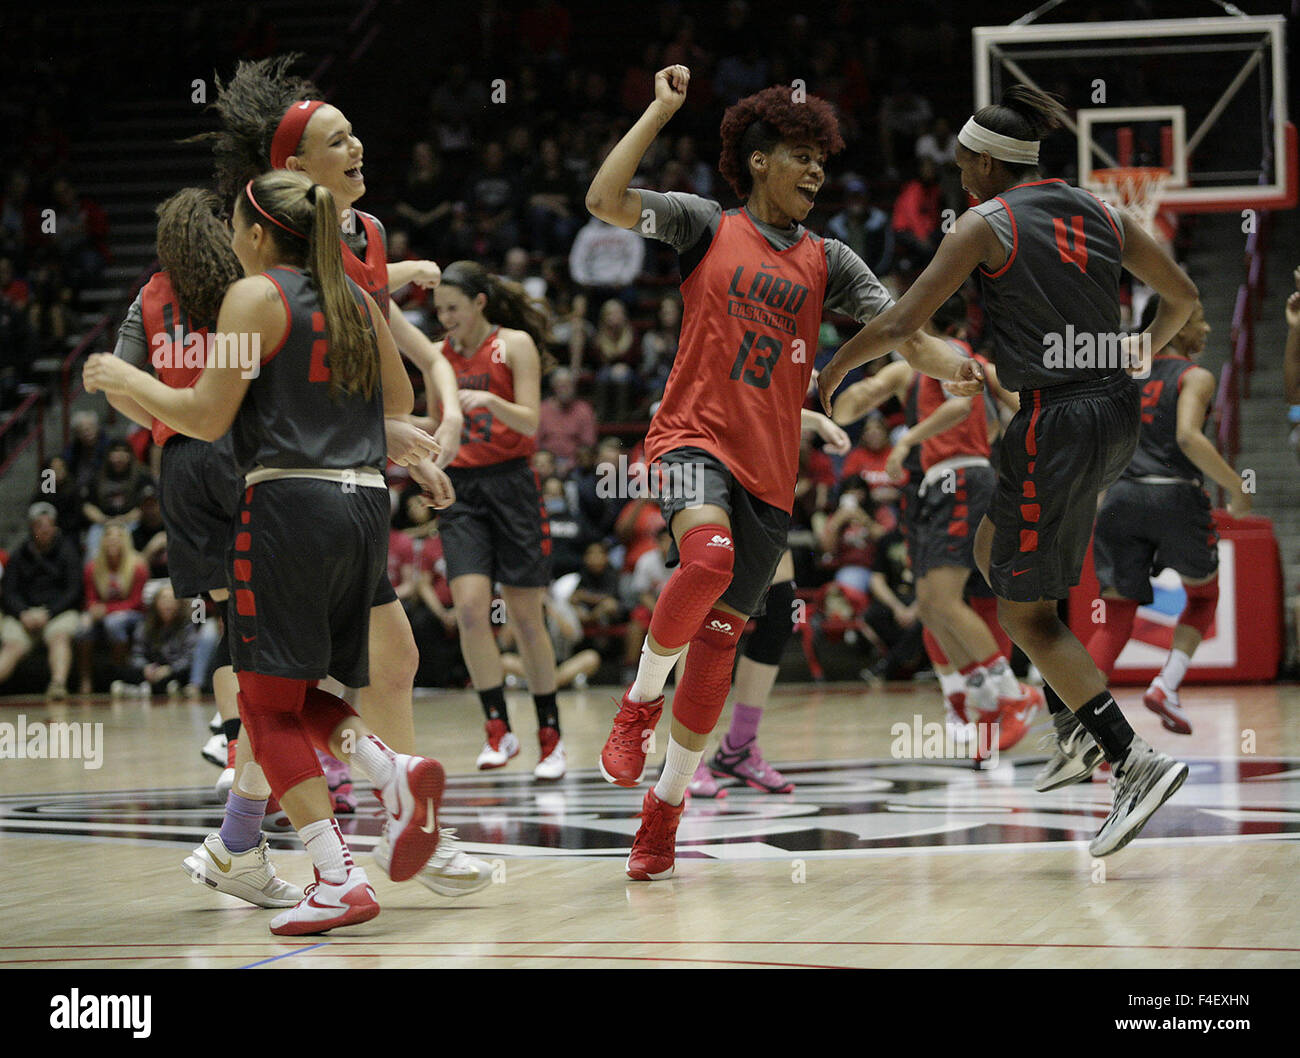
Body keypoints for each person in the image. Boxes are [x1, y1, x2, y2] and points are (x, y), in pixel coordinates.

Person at [585, 67, 980, 880]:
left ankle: (665, 810)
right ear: (758, 160)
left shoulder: (829, 259)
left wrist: (962, 364)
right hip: (692, 440)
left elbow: (908, 332)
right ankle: (637, 703)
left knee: (721, 648)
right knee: (708, 561)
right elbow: (604, 200)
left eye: (822, 163)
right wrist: (661, 112)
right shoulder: (702, 223)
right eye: (800, 156)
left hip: (771, 473)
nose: (815, 174)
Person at [818, 85, 1199, 857]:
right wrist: (1142, 349)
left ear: (990, 162)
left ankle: (1132, 760)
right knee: (1000, 555)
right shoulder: (1101, 212)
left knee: (1027, 615)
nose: (958, 174)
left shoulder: (985, 225)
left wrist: (829, 373)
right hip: (1116, 411)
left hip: (1053, 420)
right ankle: (1074, 722)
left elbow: (899, 320)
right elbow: (1184, 296)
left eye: (964, 162)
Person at [84, 170, 455, 935]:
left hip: (287, 506)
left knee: (258, 698)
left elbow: (206, 413)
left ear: (255, 235)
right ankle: (391, 773)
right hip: (361, 504)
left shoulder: (256, 295)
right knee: (283, 688)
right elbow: (399, 402)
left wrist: (127, 379)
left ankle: (335, 872)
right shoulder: (351, 295)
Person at [200, 56, 493, 896]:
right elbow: (262, 380)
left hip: (344, 476)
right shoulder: (263, 264)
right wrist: (393, 426)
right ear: (293, 174)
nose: (359, 144)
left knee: (334, 673)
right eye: (339, 138)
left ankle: (244, 842)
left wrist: (434, 414)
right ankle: (390, 826)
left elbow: (393, 346)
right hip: (282, 481)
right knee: (297, 682)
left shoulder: (363, 239)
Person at [1078, 298, 1251, 747]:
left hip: (1119, 497)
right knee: (1204, 595)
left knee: (1114, 616)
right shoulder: (1196, 376)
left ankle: (1082, 731)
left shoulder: (1119, 375)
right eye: (1198, 317)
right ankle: (1166, 685)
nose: (1208, 327)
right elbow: (1189, 438)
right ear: (1172, 325)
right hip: (1175, 494)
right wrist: (1235, 487)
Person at [420, 259, 565, 779]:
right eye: (439, 311)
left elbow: (529, 424)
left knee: (526, 617)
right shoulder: (435, 356)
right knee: (470, 608)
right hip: (462, 489)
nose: (446, 319)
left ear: (479, 303)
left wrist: (488, 400)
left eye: (453, 308)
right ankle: (497, 730)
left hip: (512, 484)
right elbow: (438, 425)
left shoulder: (514, 345)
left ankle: (551, 736)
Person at [0, 502, 82, 698]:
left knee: (59, 638)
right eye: (39, 525)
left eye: (48, 525)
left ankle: (58, 685)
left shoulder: (68, 552)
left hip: (57, 613)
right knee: (12, 646)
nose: (44, 530)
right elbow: (9, 592)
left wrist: (50, 612)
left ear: (55, 527)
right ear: (31, 528)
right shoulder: (19, 555)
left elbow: (73, 591)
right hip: (24, 615)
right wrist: (22, 613)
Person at [74, 523, 148, 694]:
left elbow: (137, 602)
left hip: (133, 615)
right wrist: (92, 611)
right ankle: (85, 679)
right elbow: (90, 599)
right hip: (103, 614)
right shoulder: (93, 567)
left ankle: (120, 675)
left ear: (125, 542)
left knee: (114, 623)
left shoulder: (138, 566)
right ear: (102, 542)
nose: (113, 542)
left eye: (118, 539)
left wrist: (106, 610)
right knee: (82, 628)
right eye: (109, 538)